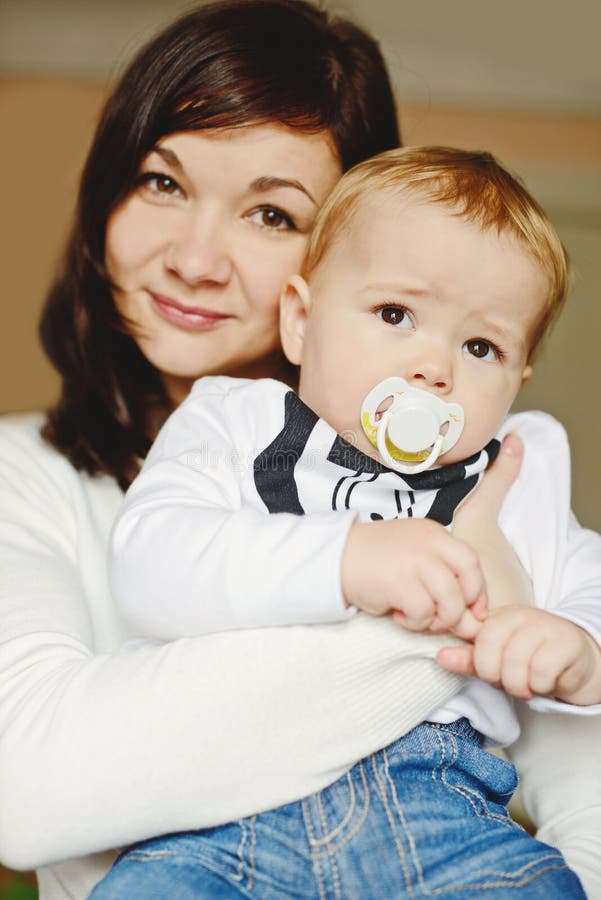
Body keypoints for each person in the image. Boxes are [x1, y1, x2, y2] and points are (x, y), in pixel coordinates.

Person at [0, 0, 597, 896]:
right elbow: (30, 794)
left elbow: (584, 780)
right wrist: (465, 593)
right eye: (162, 182)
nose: (195, 259)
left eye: (272, 215)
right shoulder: (23, 476)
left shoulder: (492, 467)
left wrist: (559, 635)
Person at [97, 146, 601, 897]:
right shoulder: (236, 423)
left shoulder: (513, 470)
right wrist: (343, 562)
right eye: (395, 314)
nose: (435, 368)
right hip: (219, 804)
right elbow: (149, 561)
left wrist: (576, 647)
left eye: (481, 346)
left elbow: (586, 584)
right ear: (301, 321)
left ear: (515, 380)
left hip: (442, 810)